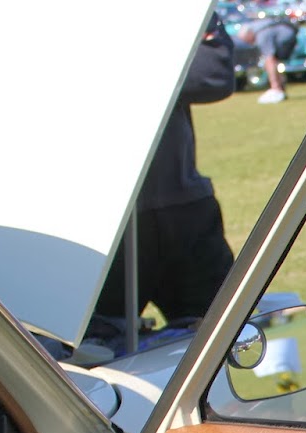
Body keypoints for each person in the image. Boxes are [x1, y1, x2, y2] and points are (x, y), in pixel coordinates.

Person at [90, 14, 237, 348]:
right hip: (101, 222)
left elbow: (211, 73)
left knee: (230, 340)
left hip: (181, 209)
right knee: (83, 355)